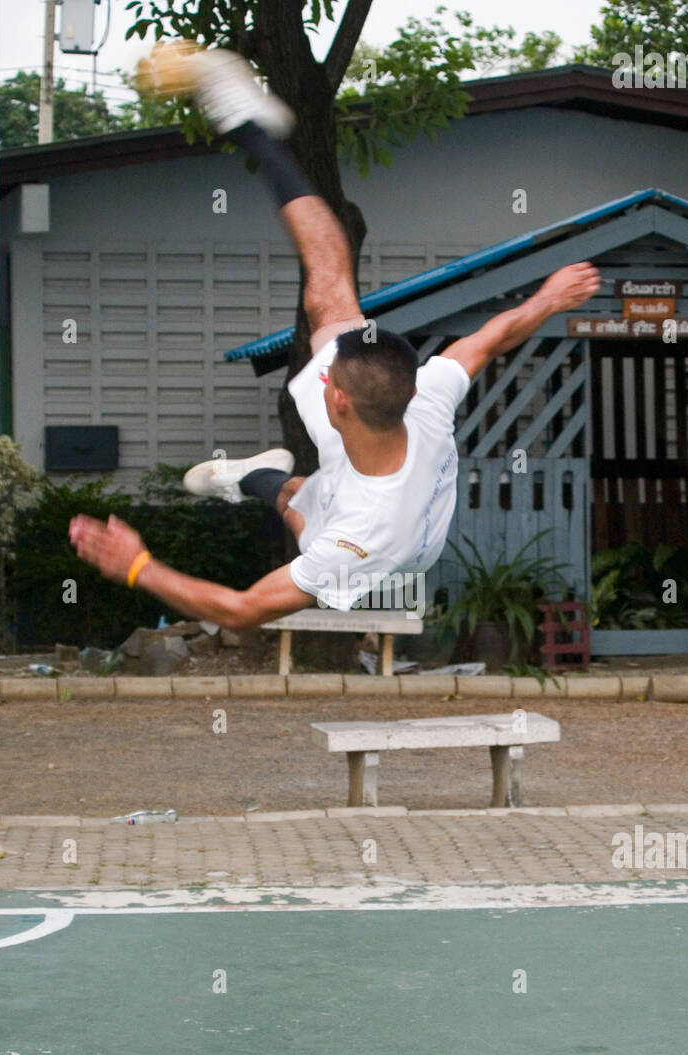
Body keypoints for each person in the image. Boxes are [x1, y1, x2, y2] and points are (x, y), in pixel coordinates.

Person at [69, 44, 601, 627]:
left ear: (338, 399)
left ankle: (248, 477)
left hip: (402, 552)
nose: (322, 368)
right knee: (328, 291)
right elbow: (488, 339)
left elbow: (242, 610)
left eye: (329, 377)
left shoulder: (362, 536)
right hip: (368, 466)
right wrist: (549, 299)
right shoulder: (424, 399)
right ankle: (250, 125)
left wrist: (137, 565)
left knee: (300, 505)